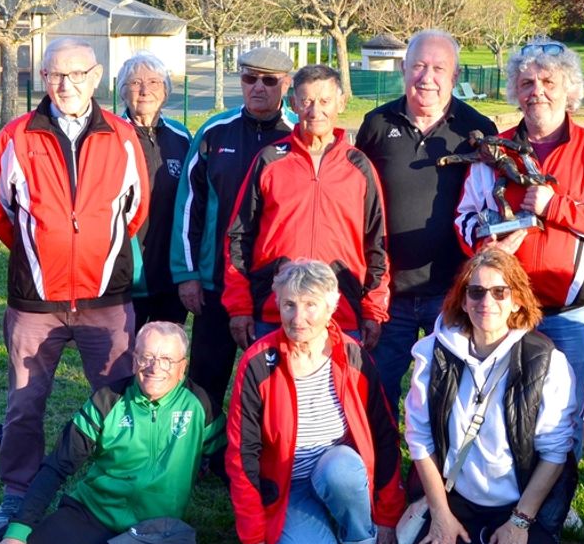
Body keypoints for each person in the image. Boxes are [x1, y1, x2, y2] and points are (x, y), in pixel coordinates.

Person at [0, 37, 149, 521]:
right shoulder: (16, 135)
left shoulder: (121, 136)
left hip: (105, 299)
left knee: (118, 398)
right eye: (56, 74)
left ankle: (118, 486)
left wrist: (98, 255)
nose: (67, 84)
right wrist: (43, 253)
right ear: (43, 79)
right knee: (24, 402)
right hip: (36, 300)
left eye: (78, 74)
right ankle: (17, 490)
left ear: (96, 78)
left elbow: (135, 211)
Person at [0, 322, 218, 544]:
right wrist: (17, 533)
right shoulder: (108, 400)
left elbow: (230, 463)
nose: (155, 368)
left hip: (155, 528)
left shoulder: (200, 406)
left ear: (182, 366)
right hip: (93, 516)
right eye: (146, 357)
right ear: (134, 358)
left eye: (166, 360)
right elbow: (56, 467)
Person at [404, 249, 578, 544]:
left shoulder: (547, 360)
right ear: (463, 300)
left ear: (516, 299)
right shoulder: (432, 354)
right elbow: (420, 441)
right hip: (458, 497)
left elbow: (555, 452)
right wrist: (440, 514)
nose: (488, 301)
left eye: (500, 292)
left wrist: (519, 523)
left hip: (518, 501)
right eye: (476, 292)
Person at [455, 38, 584, 385]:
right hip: (504, 310)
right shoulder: (494, 151)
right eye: (526, 83)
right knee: (502, 406)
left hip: (569, 315)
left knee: (571, 412)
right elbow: (464, 216)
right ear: (516, 93)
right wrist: (486, 248)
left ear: (569, 90)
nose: (537, 91)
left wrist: (554, 206)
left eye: (548, 82)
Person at [225, 260, 403, 544]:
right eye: (289, 305)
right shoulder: (256, 363)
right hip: (287, 485)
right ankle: (315, 523)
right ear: (277, 303)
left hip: (338, 471)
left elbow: (384, 436)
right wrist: (253, 540)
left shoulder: (355, 357)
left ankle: (359, 540)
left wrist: (389, 518)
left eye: (310, 305)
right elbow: (241, 455)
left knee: (341, 468)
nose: (298, 317)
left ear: (332, 306)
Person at [356, 29, 497, 412]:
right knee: (377, 391)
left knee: (450, 395)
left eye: (438, 68)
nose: (427, 77)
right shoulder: (376, 124)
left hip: (452, 292)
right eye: (418, 66)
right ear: (403, 69)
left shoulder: (477, 130)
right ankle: (379, 468)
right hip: (389, 294)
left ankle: (434, 469)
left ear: (454, 76)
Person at [171, 47, 296, 464]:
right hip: (215, 281)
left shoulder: (298, 134)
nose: (257, 87)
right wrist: (187, 272)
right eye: (249, 78)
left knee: (273, 376)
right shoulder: (214, 132)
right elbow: (188, 204)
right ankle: (202, 452)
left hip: (276, 285)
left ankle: (266, 456)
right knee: (207, 373)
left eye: (268, 80)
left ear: (286, 83)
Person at [224, 64, 389, 350]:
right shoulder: (270, 160)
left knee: (335, 396)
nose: (315, 111)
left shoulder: (358, 166)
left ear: (341, 102)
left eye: (325, 101)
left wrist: (373, 310)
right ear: (293, 104)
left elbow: (377, 244)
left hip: (341, 314)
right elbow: (239, 237)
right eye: (307, 101)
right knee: (272, 394)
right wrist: (240, 305)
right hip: (276, 313)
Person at [116, 52, 191, 330]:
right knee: (122, 360)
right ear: (122, 91)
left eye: (154, 82)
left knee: (166, 351)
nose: (145, 90)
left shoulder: (182, 137)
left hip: (171, 274)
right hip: (125, 276)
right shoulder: (109, 135)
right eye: (135, 83)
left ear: (166, 90)